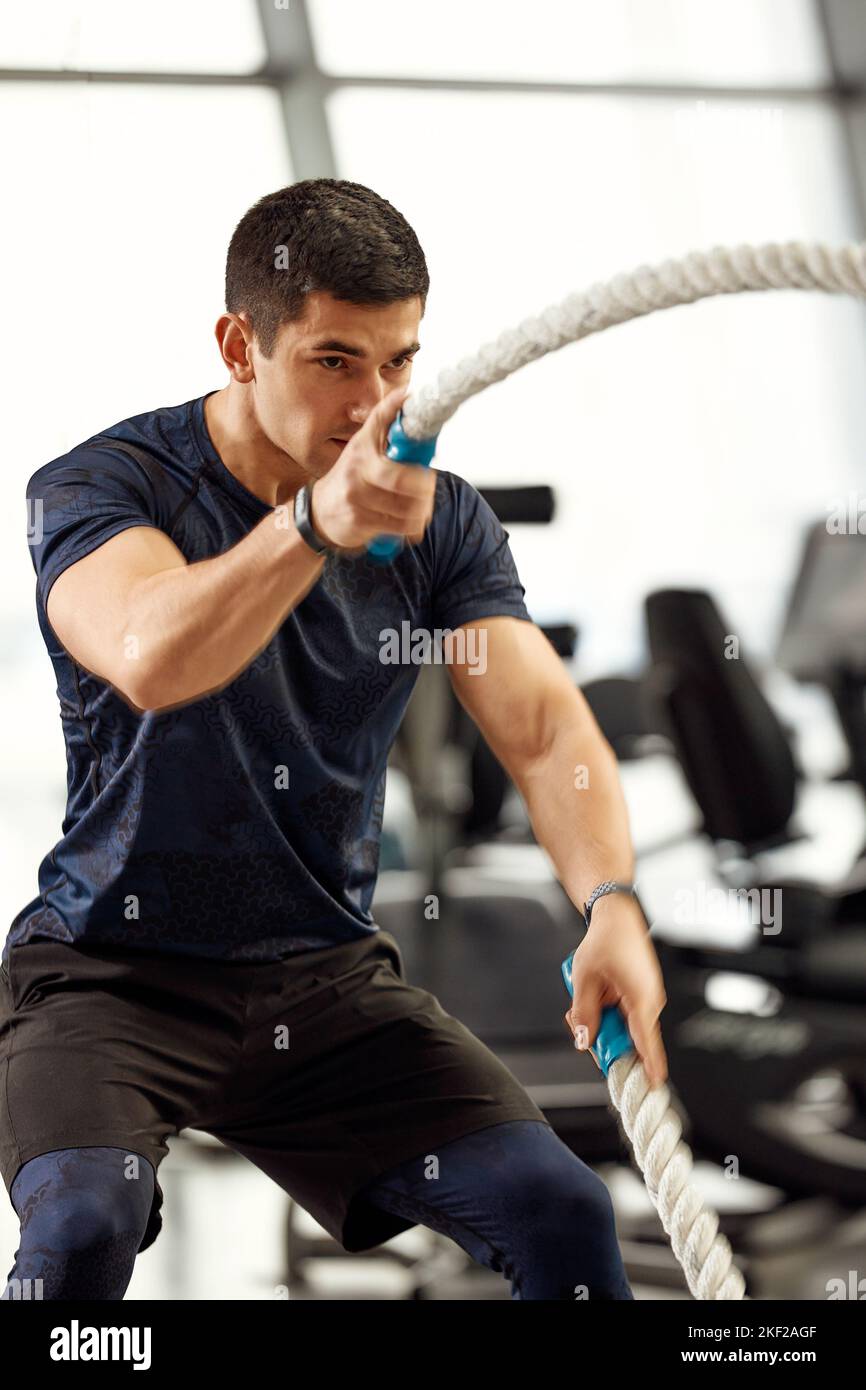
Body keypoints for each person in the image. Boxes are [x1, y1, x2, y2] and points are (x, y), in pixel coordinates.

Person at [1, 178, 667, 1302]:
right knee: (79, 1226)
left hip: (322, 982)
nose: (377, 405)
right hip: (113, 978)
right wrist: (313, 526)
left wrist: (609, 900)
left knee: (563, 1212)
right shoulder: (103, 484)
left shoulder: (439, 517)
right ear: (239, 344)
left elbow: (544, 724)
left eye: (399, 361)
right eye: (334, 362)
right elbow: (153, 654)